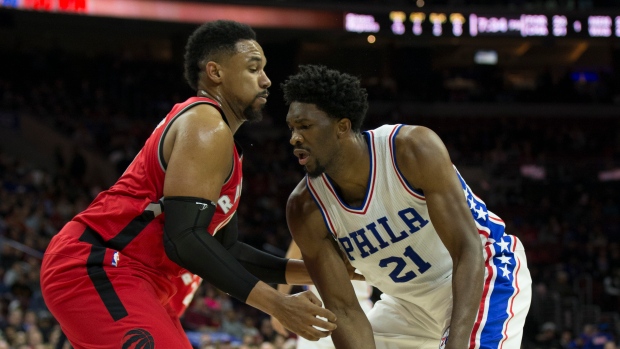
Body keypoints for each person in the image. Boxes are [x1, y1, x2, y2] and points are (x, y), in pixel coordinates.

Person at [40, 21, 346, 349]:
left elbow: (226, 251)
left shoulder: (222, 144)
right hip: (102, 265)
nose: (266, 80)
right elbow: (184, 239)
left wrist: (318, 270)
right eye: (253, 68)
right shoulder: (205, 126)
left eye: (265, 70)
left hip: (135, 279)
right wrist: (278, 304)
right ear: (215, 72)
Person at [281, 65, 532, 349]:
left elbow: (467, 250)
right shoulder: (304, 208)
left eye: (305, 126)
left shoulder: (411, 149)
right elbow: (345, 310)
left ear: (342, 126)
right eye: (291, 128)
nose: (294, 138)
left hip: (482, 277)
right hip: (405, 304)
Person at [271, 240, 374, 349]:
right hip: (322, 315)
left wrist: (278, 306)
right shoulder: (311, 227)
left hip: (354, 311)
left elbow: (289, 261)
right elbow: (289, 262)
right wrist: (278, 306)